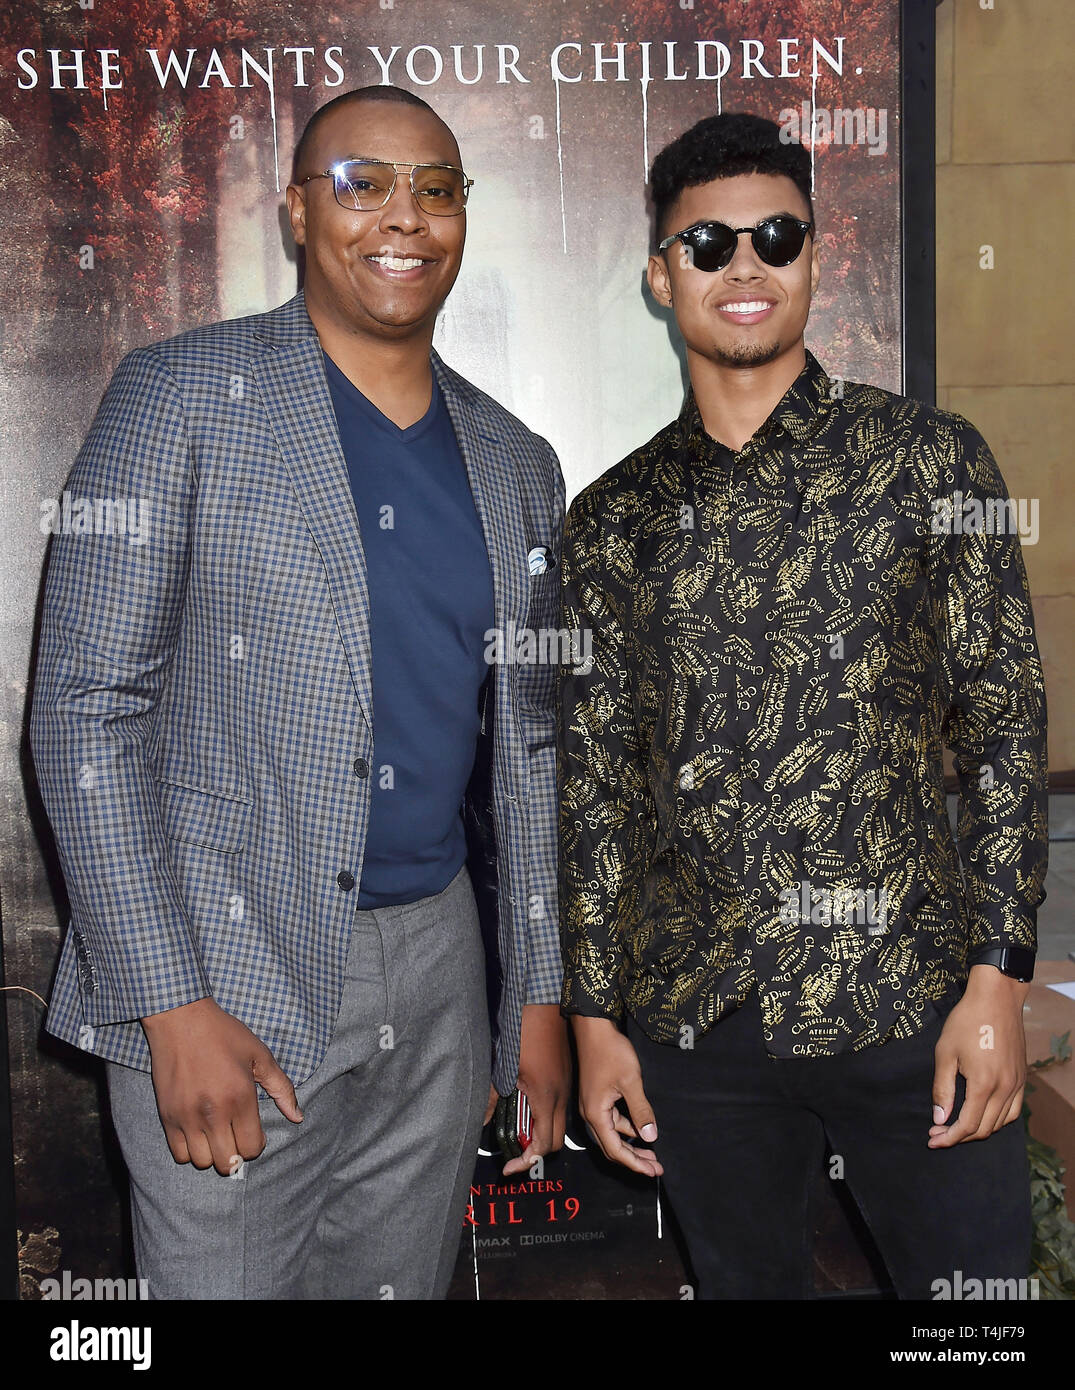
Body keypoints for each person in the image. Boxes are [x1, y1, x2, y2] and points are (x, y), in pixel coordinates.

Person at [31, 84, 570, 1300]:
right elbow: (83, 712)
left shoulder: (518, 463)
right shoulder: (177, 397)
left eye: (437, 190)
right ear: (293, 211)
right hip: (227, 960)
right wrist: (167, 1002)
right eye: (361, 182)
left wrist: (533, 992)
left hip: (436, 970)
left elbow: (532, 757)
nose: (405, 216)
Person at [557, 112, 1047, 1300]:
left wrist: (997, 979)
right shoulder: (610, 518)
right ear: (661, 273)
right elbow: (594, 780)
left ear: (818, 254)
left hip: (911, 1002)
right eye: (710, 242)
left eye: (776, 236)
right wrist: (592, 1016)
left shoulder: (928, 460)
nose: (745, 266)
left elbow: (1002, 725)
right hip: (695, 1015)